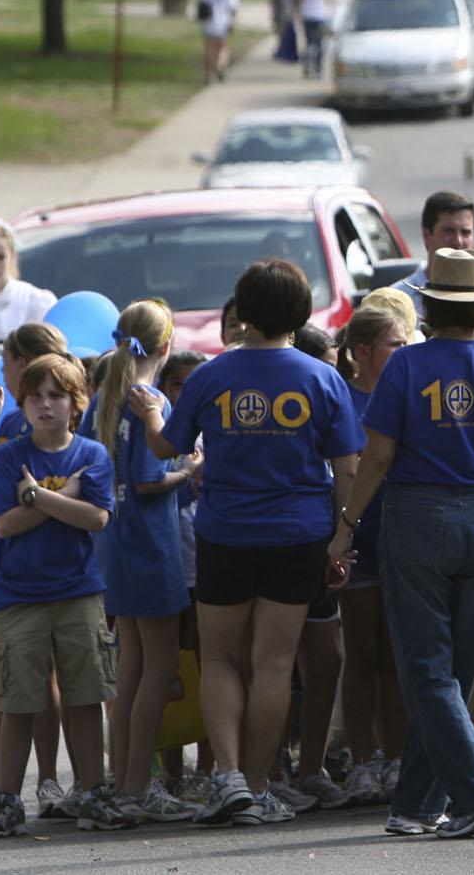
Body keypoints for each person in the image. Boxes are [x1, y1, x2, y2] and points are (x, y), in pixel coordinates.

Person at [328, 248, 474, 838]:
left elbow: (376, 455)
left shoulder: (405, 367)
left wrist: (346, 526)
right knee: (451, 670)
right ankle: (416, 805)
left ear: (428, 306)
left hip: (419, 516)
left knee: (426, 670)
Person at [158, 259, 365, 826]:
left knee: (221, 658)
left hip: (223, 532)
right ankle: (254, 784)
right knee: (275, 665)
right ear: (300, 314)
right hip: (298, 534)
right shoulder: (322, 378)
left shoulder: (207, 376)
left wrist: (150, 412)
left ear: (242, 312)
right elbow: (347, 468)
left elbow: (166, 446)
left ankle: (226, 776)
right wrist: (342, 538)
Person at [0, 355, 125, 839]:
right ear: (24, 403)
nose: (44, 405)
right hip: (17, 596)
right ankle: (7, 798)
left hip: (79, 592)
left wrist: (37, 496)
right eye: (35, 396)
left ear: (76, 404)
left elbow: (97, 519)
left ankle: (93, 792)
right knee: (18, 701)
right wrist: (66, 498)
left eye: (56, 395)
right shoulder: (8, 456)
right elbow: (4, 524)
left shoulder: (93, 455)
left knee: (85, 697)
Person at [86, 301, 198, 823]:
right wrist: (193, 470)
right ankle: (136, 785)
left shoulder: (102, 398)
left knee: (130, 669)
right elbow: (153, 480)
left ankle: (124, 779)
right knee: (158, 667)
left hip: (116, 544)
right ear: (165, 347)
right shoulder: (152, 401)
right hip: (153, 544)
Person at [0, 322, 74, 824]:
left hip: (55, 564)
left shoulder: (70, 424)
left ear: (23, 362)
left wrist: (30, 503)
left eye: (7, 360)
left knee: (46, 674)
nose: (3, 371)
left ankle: (48, 779)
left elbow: (86, 495)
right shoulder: (7, 423)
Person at [332, 307, 410, 806]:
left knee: (397, 659)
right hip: (359, 539)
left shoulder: (404, 395)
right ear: (363, 353)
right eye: (394, 345)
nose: (404, 353)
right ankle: (363, 761)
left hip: (404, 539)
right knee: (361, 655)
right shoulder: (343, 399)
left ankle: (400, 759)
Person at [396, 192, 474, 321]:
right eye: (449, 231)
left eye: (466, 232)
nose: (458, 241)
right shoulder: (397, 301)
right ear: (426, 235)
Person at [295, 0, 336, 80]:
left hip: (307, 14)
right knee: (319, 43)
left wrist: (297, 11)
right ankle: (318, 68)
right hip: (320, 14)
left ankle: (308, 62)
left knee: (309, 41)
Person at [200, 0, 240, 84]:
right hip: (223, 21)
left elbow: (202, 6)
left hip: (209, 22)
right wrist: (233, 21)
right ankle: (220, 65)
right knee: (222, 47)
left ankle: (209, 74)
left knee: (209, 49)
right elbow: (233, 7)